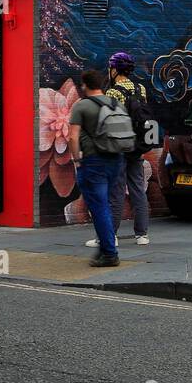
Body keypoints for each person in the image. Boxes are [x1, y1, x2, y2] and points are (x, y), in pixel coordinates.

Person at [67, 69, 128, 268]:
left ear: (85, 85)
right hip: (116, 160)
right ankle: (105, 249)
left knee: (99, 207)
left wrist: (77, 159)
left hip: (94, 162)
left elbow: (73, 137)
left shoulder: (82, 106)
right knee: (105, 206)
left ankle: (109, 253)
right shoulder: (115, 103)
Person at [105, 52, 153, 246]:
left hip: (119, 147)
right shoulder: (141, 89)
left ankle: (111, 236)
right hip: (137, 146)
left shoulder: (113, 92)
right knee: (138, 189)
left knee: (116, 192)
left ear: (114, 70)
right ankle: (142, 234)